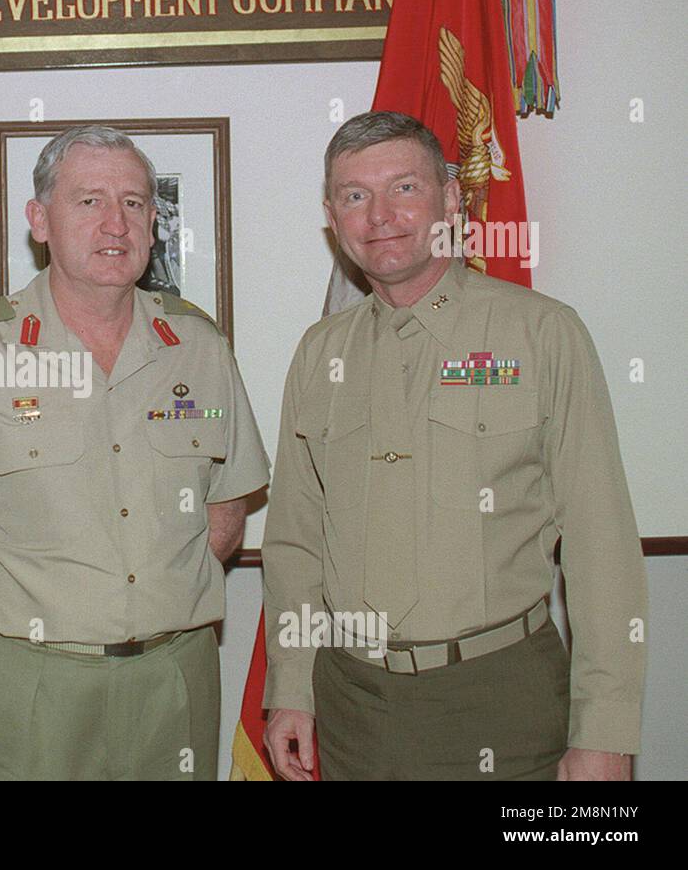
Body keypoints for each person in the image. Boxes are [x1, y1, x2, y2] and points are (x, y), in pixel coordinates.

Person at [0, 125, 270, 781]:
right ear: (39, 219)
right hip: (29, 686)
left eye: (135, 203)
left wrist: (154, 603)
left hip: (173, 679)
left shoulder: (199, 346)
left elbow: (224, 515)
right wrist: (7, 631)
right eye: (89, 201)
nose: (116, 222)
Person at [261, 111, 647, 781]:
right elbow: (296, 542)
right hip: (352, 707)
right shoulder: (321, 354)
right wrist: (292, 686)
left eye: (404, 188)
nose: (380, 214)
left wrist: (605, 731)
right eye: (355, 195)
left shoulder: (542, 335)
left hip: (499, 699)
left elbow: (600, 542)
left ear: (451, 200)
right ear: (333, 217)